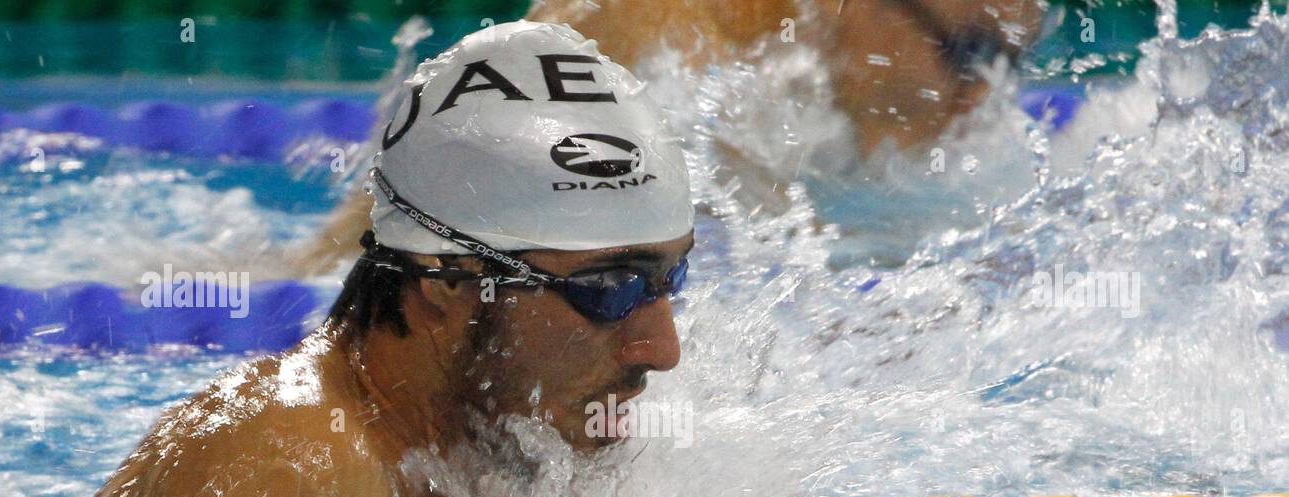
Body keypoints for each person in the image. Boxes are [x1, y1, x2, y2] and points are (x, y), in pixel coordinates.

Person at [11, 22, 1003, 497]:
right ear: (444, 288)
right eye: (611, 289)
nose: (661, 345)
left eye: (670, 278)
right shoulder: (297, 465)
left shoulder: (508, 440)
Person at [289, 0, 1046, 277]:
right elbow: (755, 275)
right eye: (971, 54)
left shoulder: (789, 65)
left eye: (1011, 64)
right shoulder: (665, 32)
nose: (982, 98)